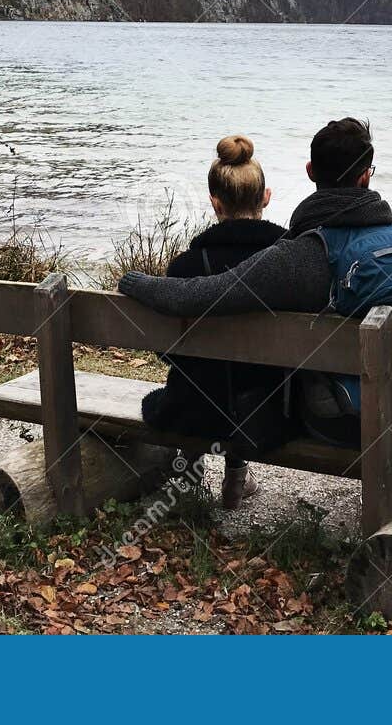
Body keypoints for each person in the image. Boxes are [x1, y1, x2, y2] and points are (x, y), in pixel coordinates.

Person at [119, 118, 392, 461]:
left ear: (310, 170)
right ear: (366, 175)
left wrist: (134, 281)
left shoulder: (301, 255)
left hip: (352, 424)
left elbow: (200, 296)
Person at [139, 135, 288, 509]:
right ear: (265, 197)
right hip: (264, 413)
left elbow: (167, 349)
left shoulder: (186, 268)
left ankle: (191, 469)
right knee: (244, 375)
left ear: (215, 203)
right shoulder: (291, 264)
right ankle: (237, 474)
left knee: (200, 377)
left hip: (197, 410)